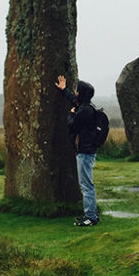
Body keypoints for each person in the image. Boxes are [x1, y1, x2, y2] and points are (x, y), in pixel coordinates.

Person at [55, 75, 100, 227]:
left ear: (81, 93)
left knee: (86, 185)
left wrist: (71, 114)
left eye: (76, 90)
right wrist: (63, 89)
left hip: (85, 152)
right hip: (86, 150)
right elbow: (73, 100)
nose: (75, 92)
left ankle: (90, 217)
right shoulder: (86, 106)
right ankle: (91, 214)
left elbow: (73, 125)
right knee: (87, 184)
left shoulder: (84, 111)